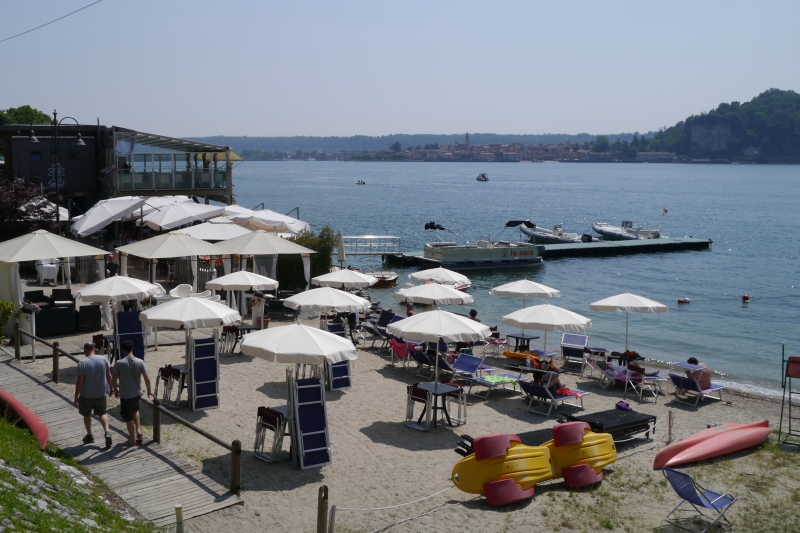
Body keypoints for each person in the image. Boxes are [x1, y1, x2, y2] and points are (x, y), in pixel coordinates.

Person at [111, 340, 155, 446]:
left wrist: (116, 390)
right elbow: (147, 378)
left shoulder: (119, 363)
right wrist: (149, 390)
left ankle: (132, 439)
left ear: (123, 350)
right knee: (135, 411)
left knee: (128, 417)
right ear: (132, 348)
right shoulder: (140, 362)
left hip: (126, 395)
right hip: (137, 393)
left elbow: (114, 378)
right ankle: (138, 431)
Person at [74, 342, 113, 448]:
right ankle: (107, 432)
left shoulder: (82, 363)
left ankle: (90, 435)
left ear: (85, 350)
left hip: (87, 395)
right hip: (101, 393)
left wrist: (76, 396)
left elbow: (80, 382)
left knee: (86, 415)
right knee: (102, 413)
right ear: (95, 349)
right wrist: (111, 388)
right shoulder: (103, 359)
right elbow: (109, 375)